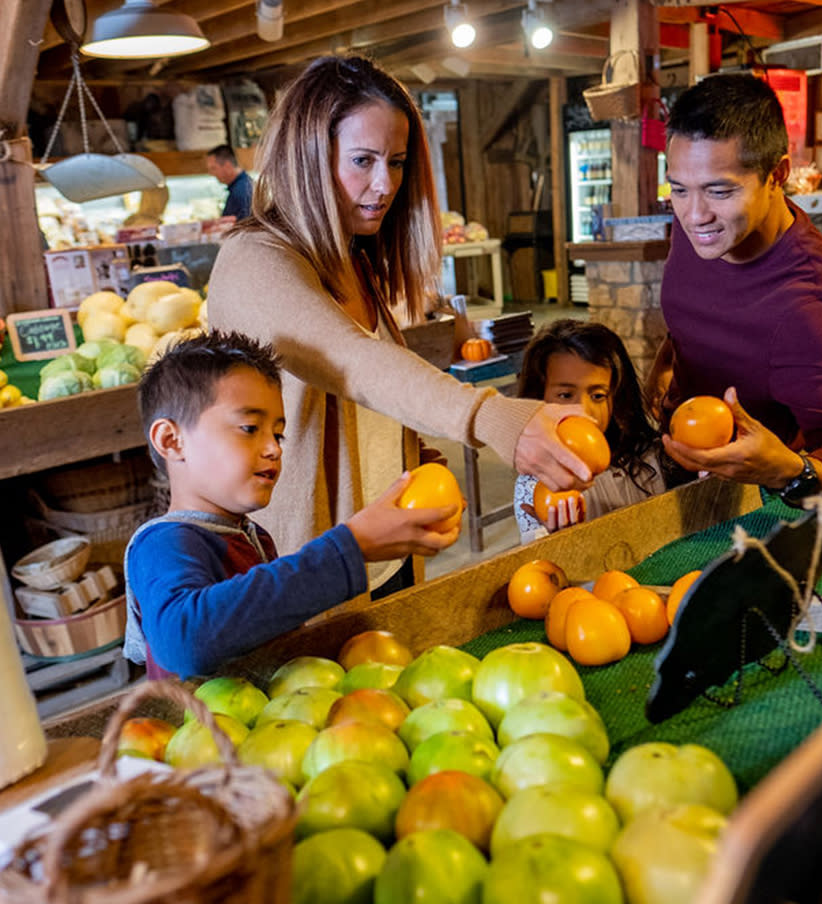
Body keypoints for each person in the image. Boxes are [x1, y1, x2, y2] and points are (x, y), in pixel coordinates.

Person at [207, 55, 589, 592]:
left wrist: (416, 457)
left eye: (397, 161)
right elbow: (349, 360)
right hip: (304, 565)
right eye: (362, 160)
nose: (384, 184)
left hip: (382, 541)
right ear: (309, 155)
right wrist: (494, 417)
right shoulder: (255, 259)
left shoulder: (352, 258)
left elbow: (368, 397)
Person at [123, 331, 459, 680]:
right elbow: (185, 642)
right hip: (209, 731)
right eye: (250, 427)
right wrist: (351, 548)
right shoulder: (162, 544)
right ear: (171, 440)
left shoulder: (251, 535)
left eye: (278, 434)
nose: (273, 449)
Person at [658, 74, 822, 509]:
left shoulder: (814, 305)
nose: (694, 215)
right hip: (675, 458)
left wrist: (787, 471)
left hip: (752, 501)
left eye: (719, 190)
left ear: (777, 174)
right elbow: (701, 318)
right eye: (679, 189)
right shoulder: (704, 225)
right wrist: (670, 363)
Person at [513, 320, 666, 542]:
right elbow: (543, 571)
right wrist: (560, 541)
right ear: (538, 399)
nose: (584, 411)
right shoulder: (534, 486)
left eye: (598, 396)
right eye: (565, 395)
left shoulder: (647, 456)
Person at [205, 145, 254, 219]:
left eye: (213, 168)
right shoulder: (242, 185)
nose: (211, 173)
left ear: (227, 166)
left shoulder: (241, 190)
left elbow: (245, 226)